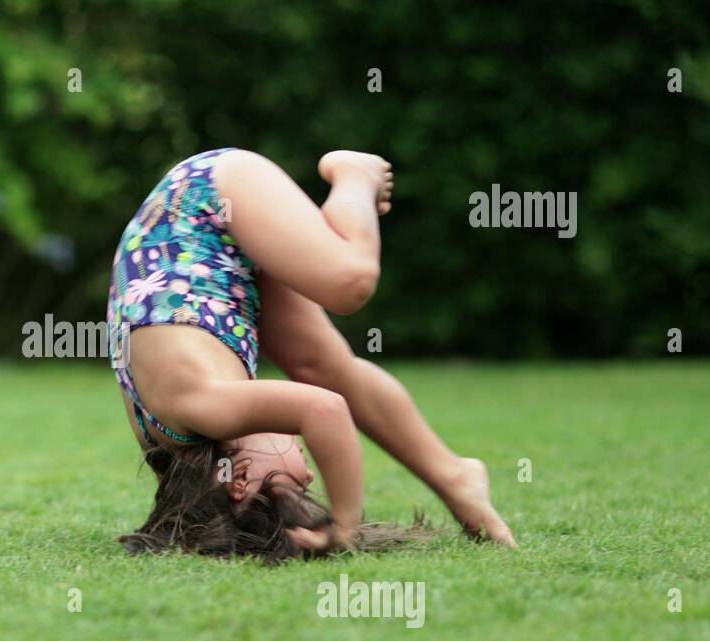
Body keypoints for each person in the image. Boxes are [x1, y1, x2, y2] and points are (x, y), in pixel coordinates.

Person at [107, 148, 518, 560]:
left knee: (348, 281)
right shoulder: (181, 451)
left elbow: (325, 412)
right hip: (210, 274)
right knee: (323, 368)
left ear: (239, 481)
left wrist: (343, 526)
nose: (306, 470)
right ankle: (455, 476)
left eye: (294, 484)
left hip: (206, 197)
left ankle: (353, 175)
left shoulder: (202, 405)